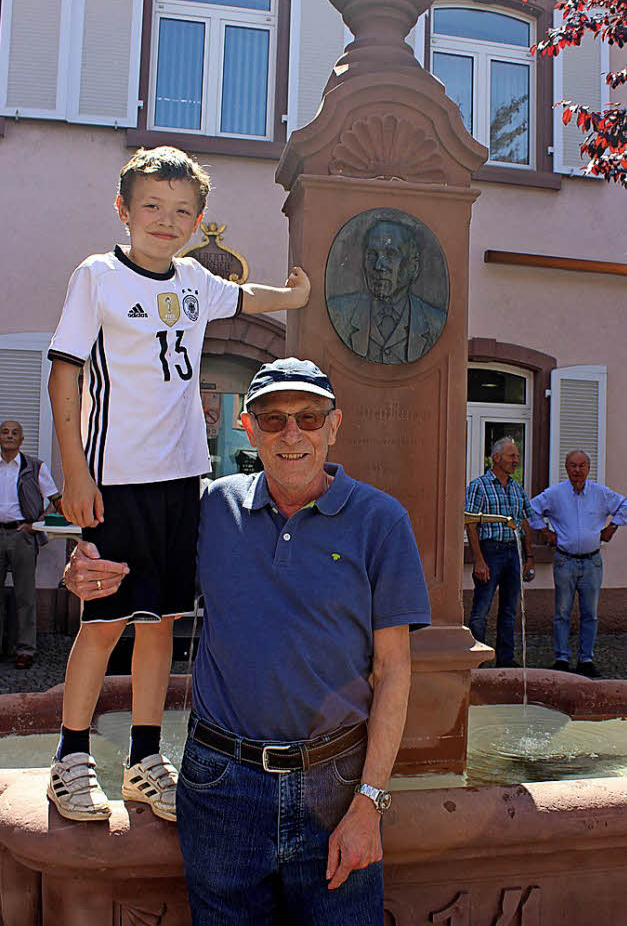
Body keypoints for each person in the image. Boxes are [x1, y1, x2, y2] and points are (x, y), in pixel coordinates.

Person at [64, 356, 431, 924]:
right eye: (274, 418)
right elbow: (133, 574)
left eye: (309, 418)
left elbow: (394, 671)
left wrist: (369, 803)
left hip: (335, 785)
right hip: (221, 786)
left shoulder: (380, 521)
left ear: (334, 427)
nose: (292, 435)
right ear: (248, 426)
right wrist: (87, 571)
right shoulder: (212, 507)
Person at [46, 146, 311, 824]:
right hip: (114, 478)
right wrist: (74, 470)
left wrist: (296, 295)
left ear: (197, 220)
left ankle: (142, 761)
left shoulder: (194, 278)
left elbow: (248, 296)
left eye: (182, 211)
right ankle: (70, 760)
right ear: (124, 209)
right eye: (153, 207)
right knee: (105, 620)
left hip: (181, 476)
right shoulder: (98, 276)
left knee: (161, 622)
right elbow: (65, 373)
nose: (167, 221)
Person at [529, 450, 627, 677]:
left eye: (582, 465)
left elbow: (624, 505)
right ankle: (562, 658)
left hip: (592, 562)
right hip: (565, 561)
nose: (577, 470)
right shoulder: (555, 494)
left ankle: (586, 660)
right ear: (566, 468)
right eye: (573, 466)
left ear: (588, 468)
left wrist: (612, 527)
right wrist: (545, 532)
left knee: (590, 614)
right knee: (562, 612)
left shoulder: (600, 494)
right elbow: (530, 508)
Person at [327, 219, 446, 363]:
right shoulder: (339, 312)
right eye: (372, 255)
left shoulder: (434, 321)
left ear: (413, 267)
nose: (378, 266)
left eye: (390, 255)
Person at [465, 437, 534, 668]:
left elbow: (524, 521)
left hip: (513, 552)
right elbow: (471, 523)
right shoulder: (479, 486)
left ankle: (505, 660)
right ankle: (476, 660)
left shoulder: (516, 488)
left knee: (509, 609)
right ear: (496, 458)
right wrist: (479, 560)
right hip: (490, 551)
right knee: (481, 609)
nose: (516, 461)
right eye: (511, 456)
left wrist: (529, 557)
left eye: (516, 456)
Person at [0, 420, 60, 668]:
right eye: (5, 432)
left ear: (22, 440)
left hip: (22, 535)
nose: (10, 436)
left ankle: (25, 650)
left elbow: (56, 499)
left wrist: (35, 525)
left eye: (15, 433)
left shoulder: (34, 466)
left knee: (25, 595)